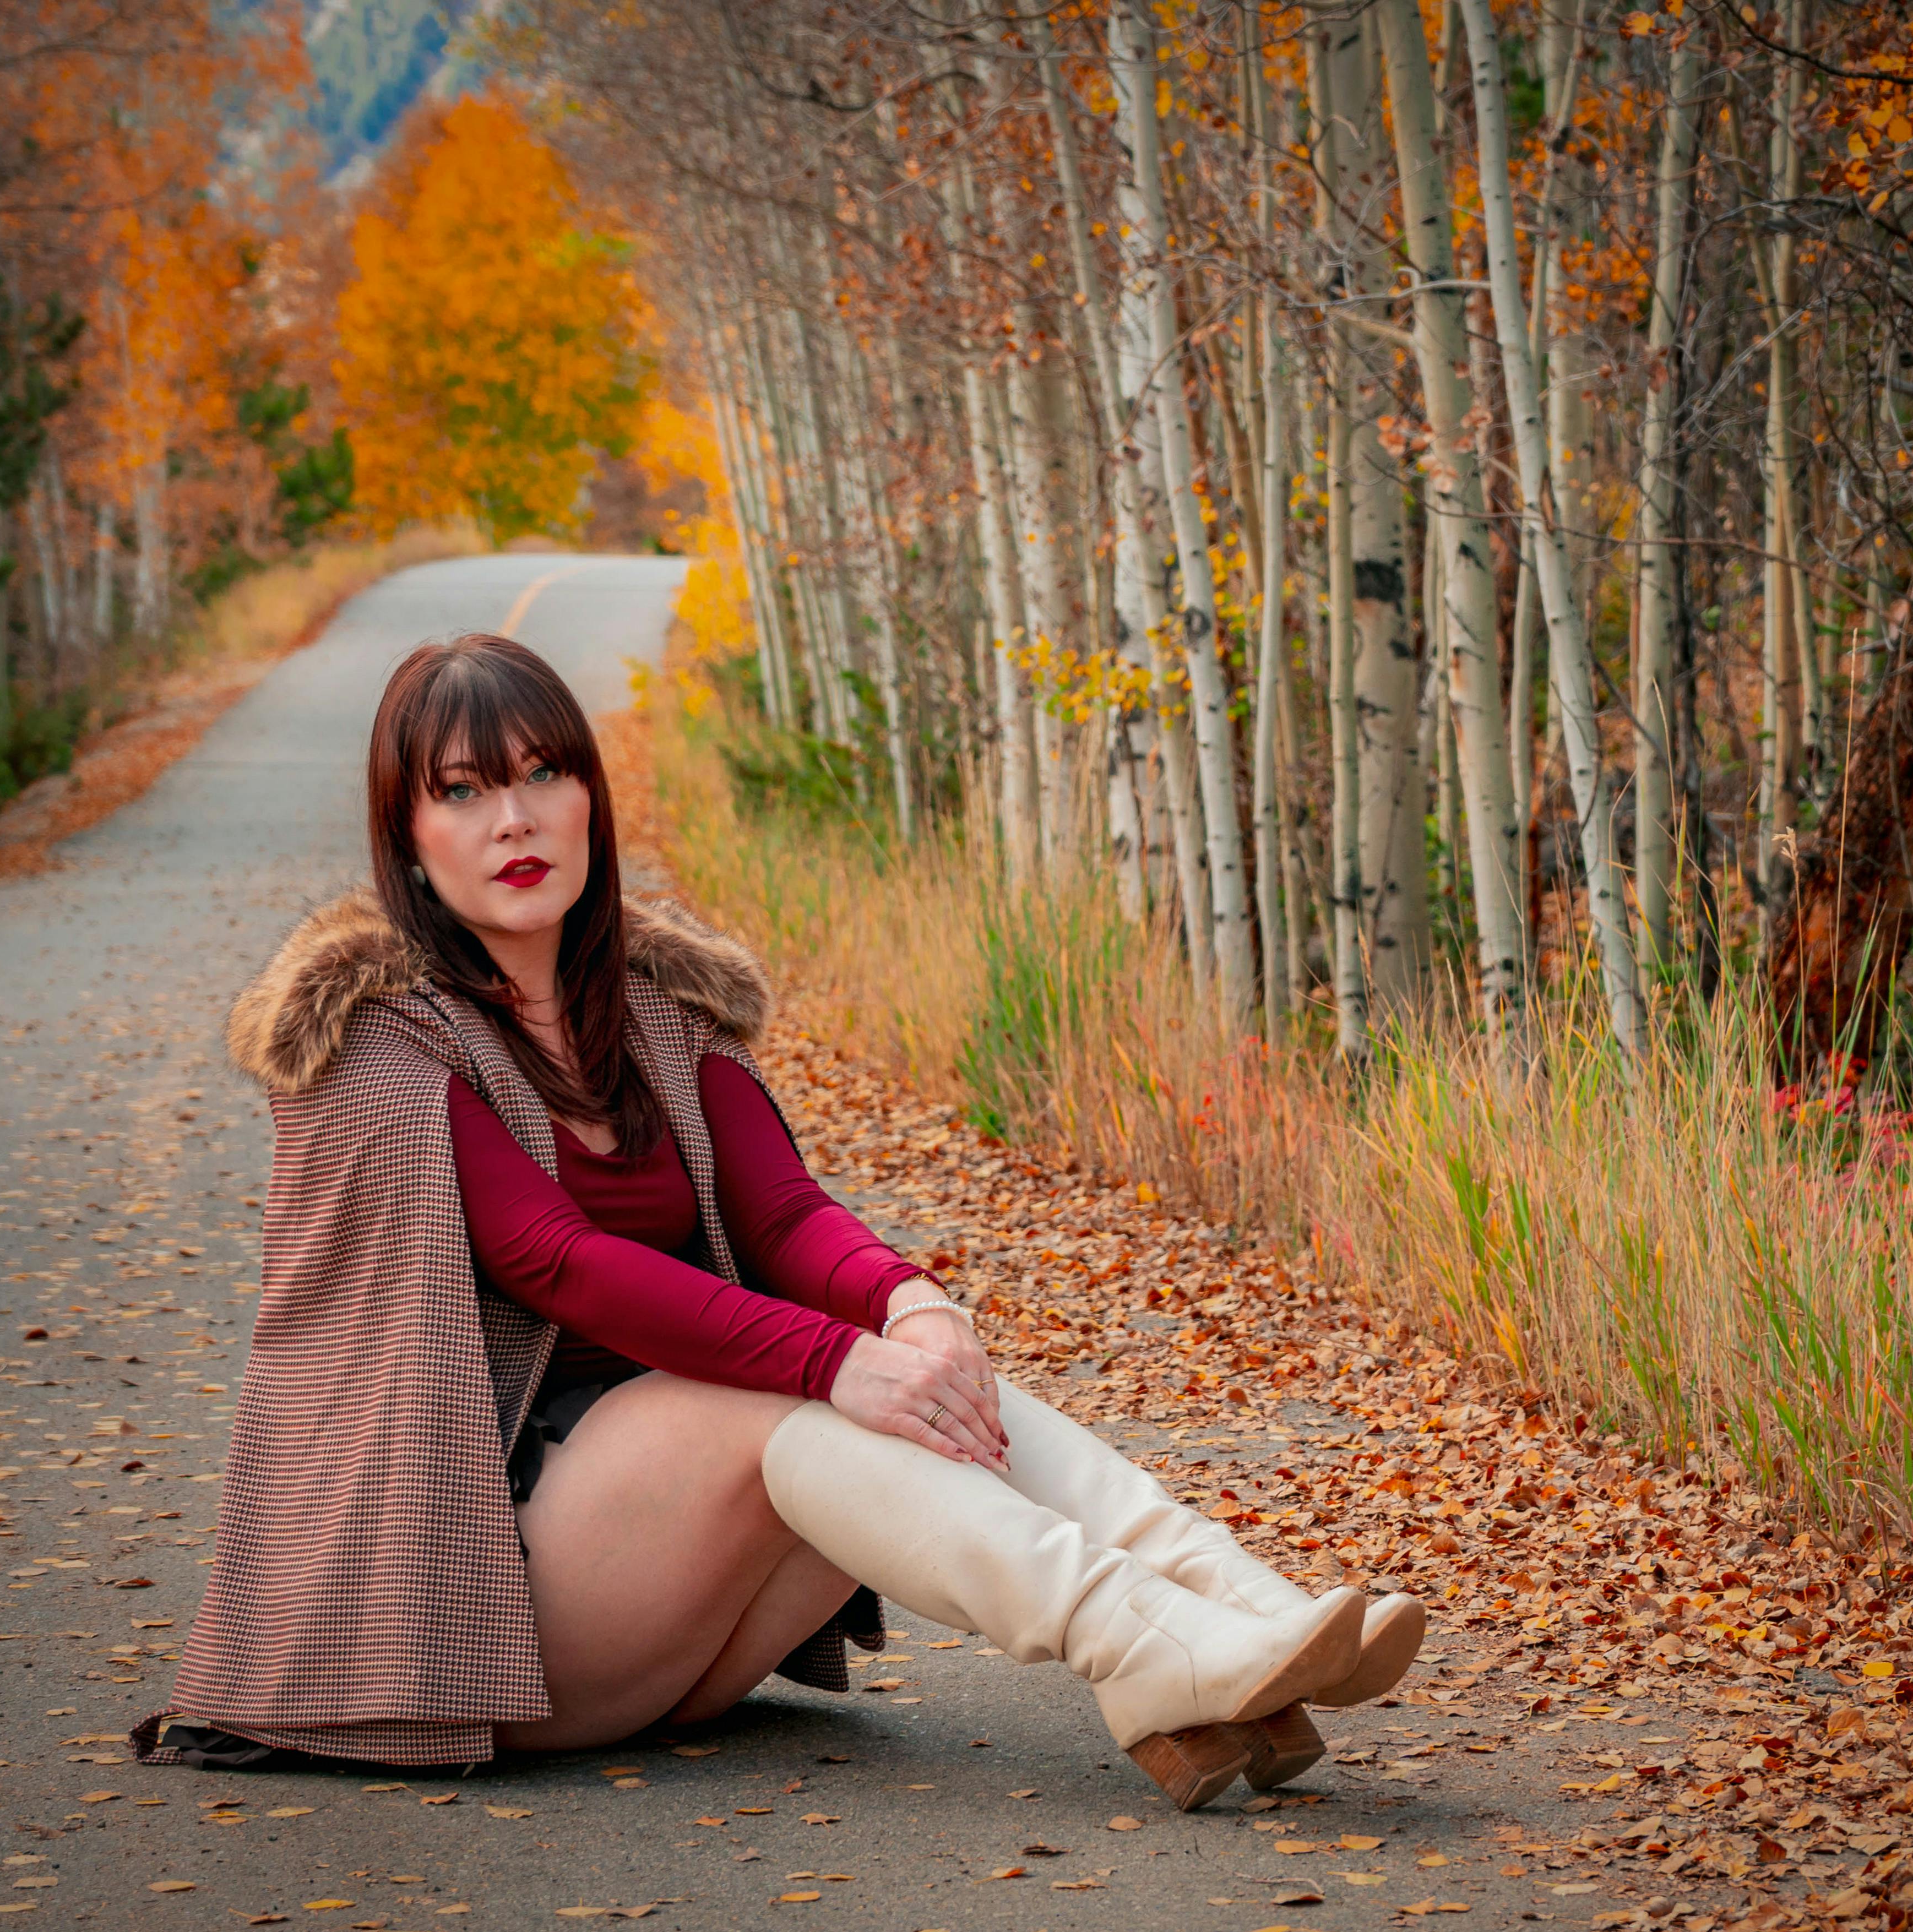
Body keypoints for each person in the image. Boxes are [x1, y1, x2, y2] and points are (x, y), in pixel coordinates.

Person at [146, 634, 1422, 1808]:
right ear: (406, 836)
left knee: (909, 1371)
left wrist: (918, 1309)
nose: (516, 816)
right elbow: (562, 1264)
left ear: (592, 796)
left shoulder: (653, 1014)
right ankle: (1142, 1651)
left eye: (543, 773)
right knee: (800, 1395)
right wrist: (838, 1357)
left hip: (680, 1615)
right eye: (464, 790)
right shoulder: (380, 1048)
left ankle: (1243, 1614)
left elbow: (786, 1211)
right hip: (488, 1612)